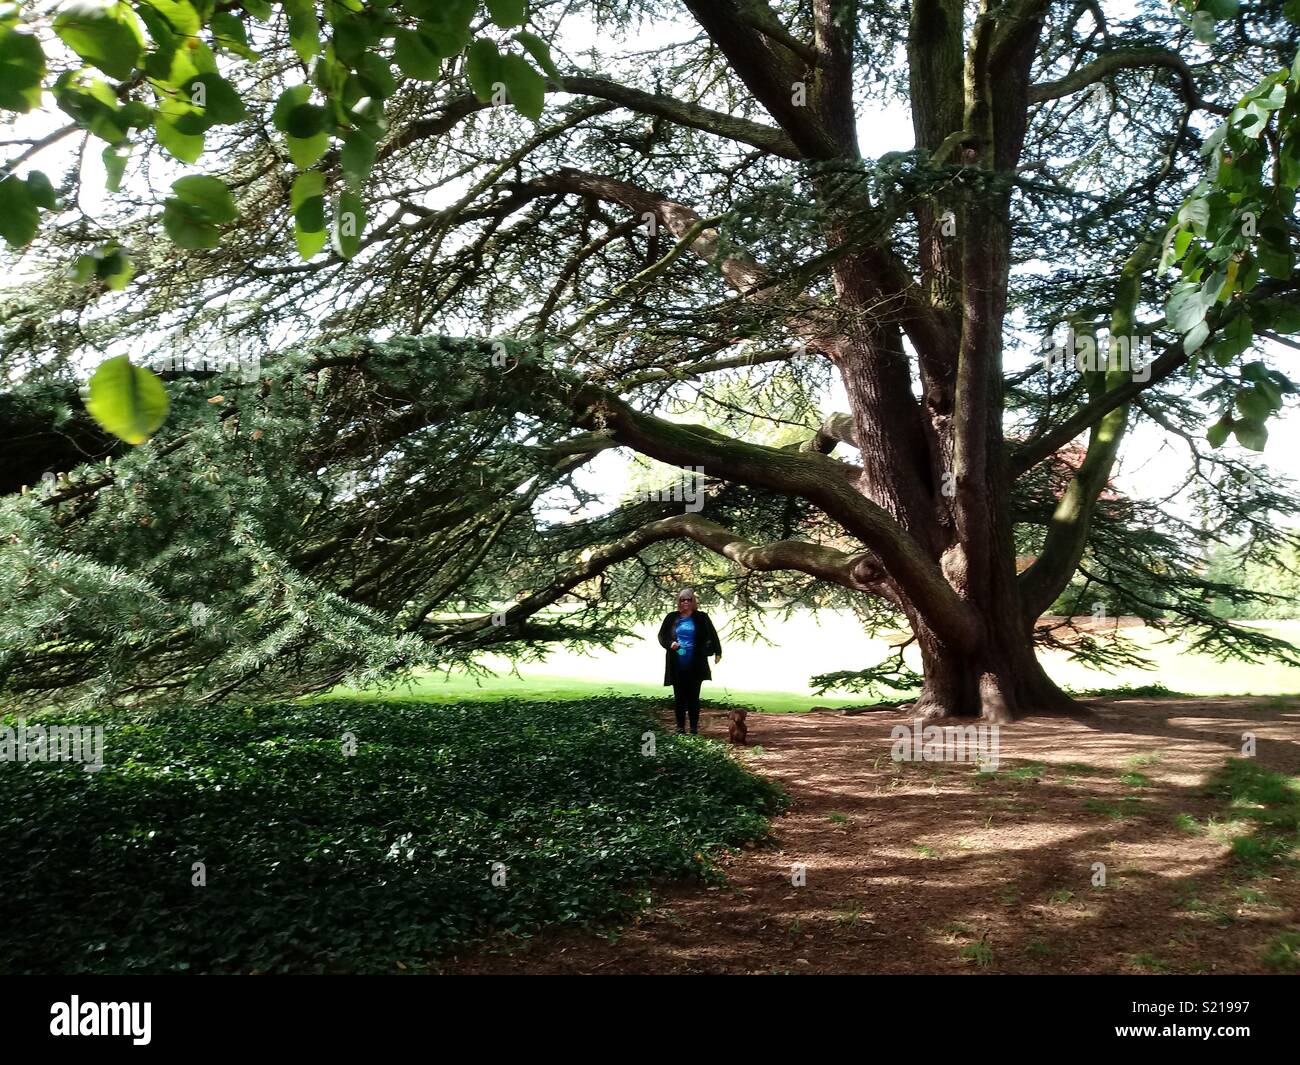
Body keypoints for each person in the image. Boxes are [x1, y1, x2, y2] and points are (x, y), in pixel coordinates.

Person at [656, 587, 722, 734]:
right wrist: (671, 644)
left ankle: (693, 728)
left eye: (689, 599)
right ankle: (680, 727)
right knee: (679, 697)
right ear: (679, 602)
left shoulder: (701, 617)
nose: (685, 602)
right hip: (677, 661)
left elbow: (712, 634)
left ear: (693, 601)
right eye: (682, 600)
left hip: (696, 662)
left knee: (693, 697)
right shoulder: (672, 617)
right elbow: (662, 636)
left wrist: (718, 651)